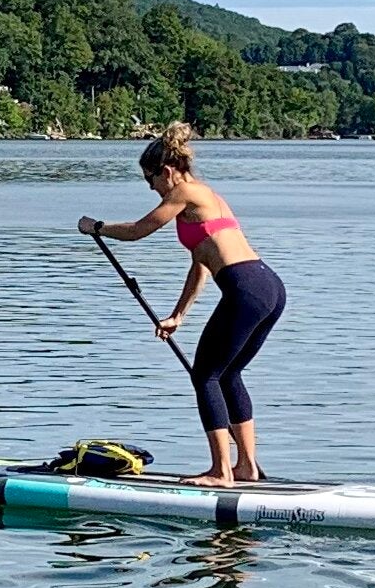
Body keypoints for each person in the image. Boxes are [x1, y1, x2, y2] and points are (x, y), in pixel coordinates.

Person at [76, 123, 285, 487]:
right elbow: (200, 265)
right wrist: (178, 315)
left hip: (247, 288)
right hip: (267, 287)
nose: (151, 187)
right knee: (228, 374)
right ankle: (246, 467)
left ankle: (222, 472)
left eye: (150, 179)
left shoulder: (185, 192)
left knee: (205, 375)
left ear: (167, 171)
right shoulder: (207, 196)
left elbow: (139, 229)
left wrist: (97, 226)